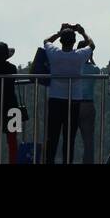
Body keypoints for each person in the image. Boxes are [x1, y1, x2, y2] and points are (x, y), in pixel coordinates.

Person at [42, 23, 94, 164]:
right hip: (74, 100)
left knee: (52, 136)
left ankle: (49, 161)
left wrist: (59, 32)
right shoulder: (78, 56)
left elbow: (46, 41)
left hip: (55, 98)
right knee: (69, 137)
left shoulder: (54, 54)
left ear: (61, 41)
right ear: (74, 42)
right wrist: (83, 32)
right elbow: (92, 45)